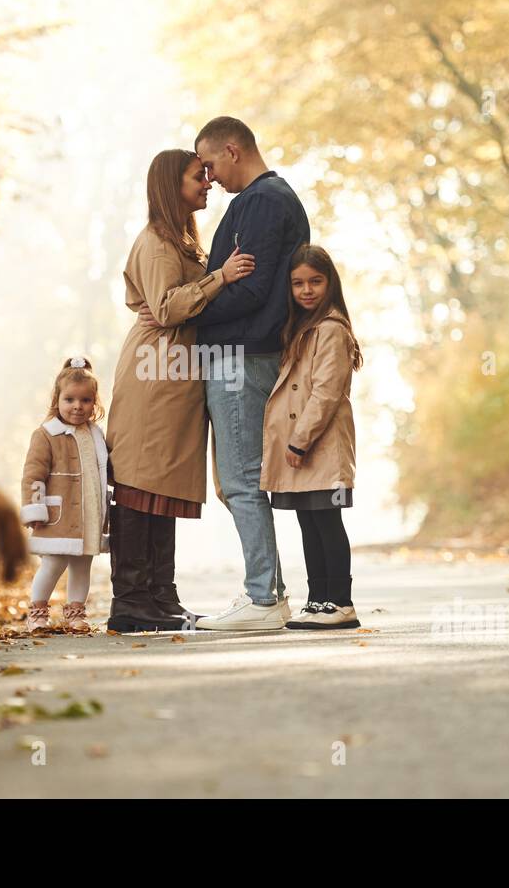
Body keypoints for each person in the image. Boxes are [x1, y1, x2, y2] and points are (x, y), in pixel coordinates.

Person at [143, 117, 310, 631]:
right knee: (241, 479)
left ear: (232, 151)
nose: (210, 178)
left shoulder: (259, 201)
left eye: (211, 164)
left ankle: (263, 599)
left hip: (239, 357)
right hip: (247, 354)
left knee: (240, 481)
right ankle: (267, 594)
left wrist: (188, 311)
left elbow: (253, 289)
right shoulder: (274, 199)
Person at [106, 149, 256, 633]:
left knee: (162, 485)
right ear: (173, 185)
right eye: (198, 177)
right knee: (139, 483)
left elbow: (173, 304)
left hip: (177, 372)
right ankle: (130, 602)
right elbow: (168, 309)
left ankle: (161, 596)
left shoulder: (182, 240)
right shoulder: (155, 242)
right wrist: (220, 277)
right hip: (153, 376)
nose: (208, 183)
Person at [261, 245, 362, 630]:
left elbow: (326, 392)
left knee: (327, 522)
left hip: (322, 447)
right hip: (302, 447)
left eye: (315, 282)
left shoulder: (331, 330)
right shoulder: (300, 328)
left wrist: (299, 440)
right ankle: (318, 600)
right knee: (308, 522)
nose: (306, 290)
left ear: (330, 283)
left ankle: (341, 601)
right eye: (298, 283)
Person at [20, 357, 109, 634]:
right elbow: (33, 475)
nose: (77, 406)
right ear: (56, 399)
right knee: (54, 563)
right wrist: (34, 510)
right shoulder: (46, 435)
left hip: (88, 514)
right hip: (57, 516)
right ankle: (37, 612)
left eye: (85, 400)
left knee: (83, 564)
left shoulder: (95, 435)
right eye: (69, 399)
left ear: (94, 403)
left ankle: (75, 613)